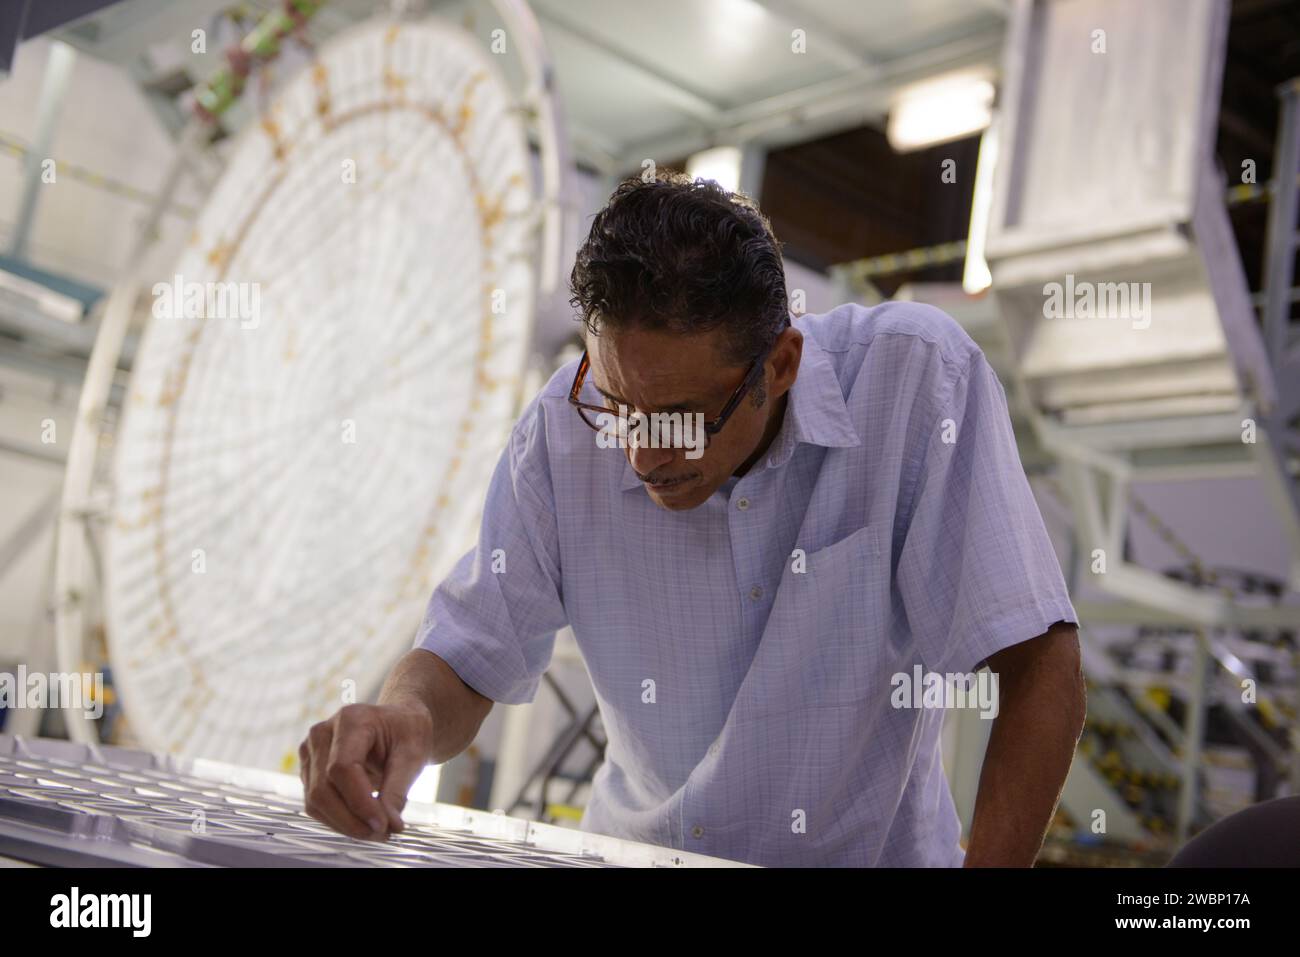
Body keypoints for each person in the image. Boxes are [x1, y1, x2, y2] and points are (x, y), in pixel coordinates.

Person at [299, 171, 1085, 867]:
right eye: (616, 406)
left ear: (779, 365)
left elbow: (1040, 671)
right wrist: (404, 714)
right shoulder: (561, 433)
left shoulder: (913, 383)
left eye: (679, 419)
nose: (641, 456)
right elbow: (470, 655)